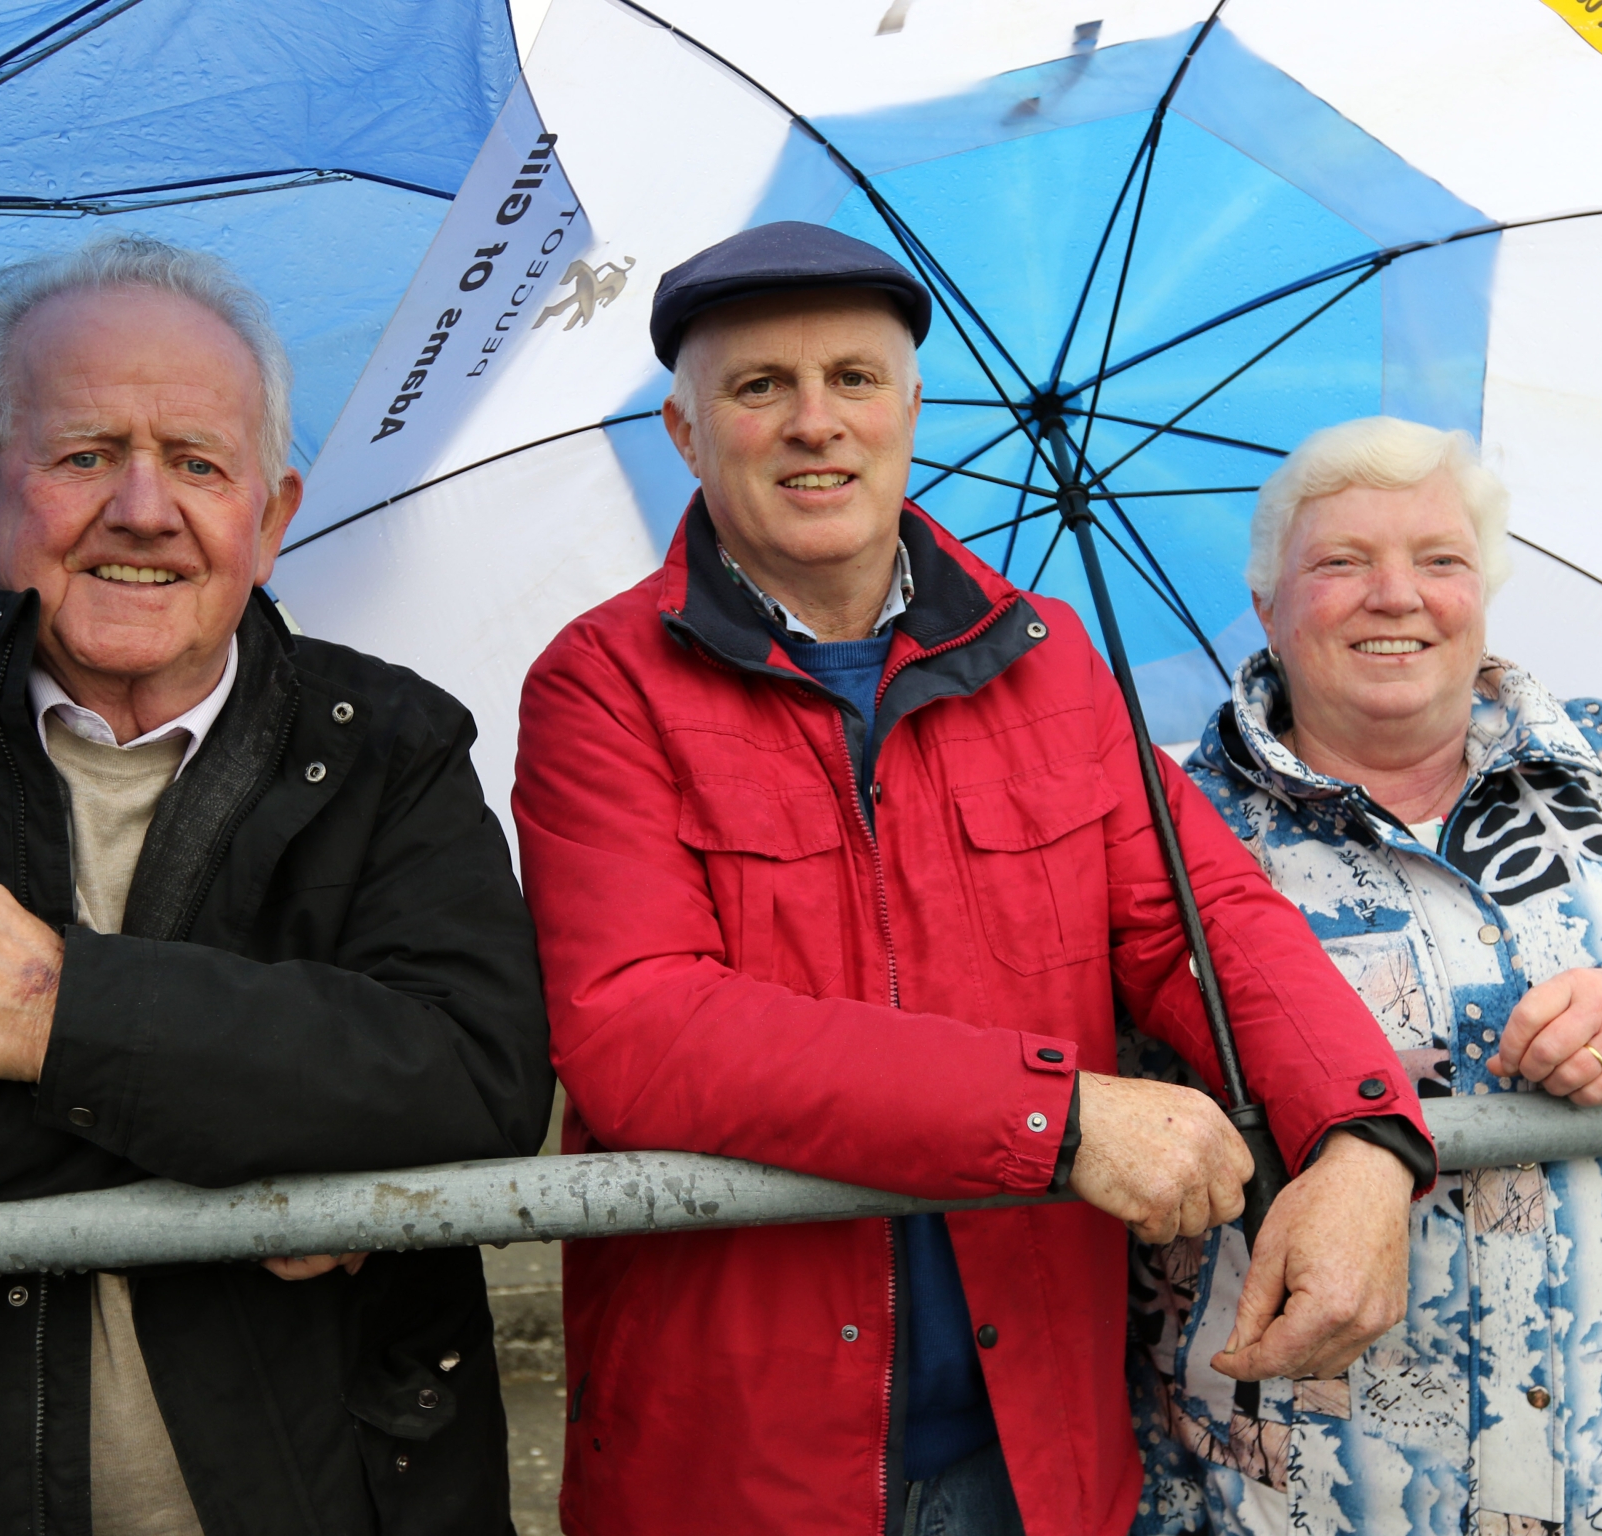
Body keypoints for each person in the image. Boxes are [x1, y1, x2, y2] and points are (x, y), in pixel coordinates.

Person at [511, 221, 1438, 1536]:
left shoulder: (1047, 658)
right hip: (742, 1460)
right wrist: (1056, 1122)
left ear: (911, 408)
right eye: (759, 386)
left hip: (1034, 1449)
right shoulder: (601, 684)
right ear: (684, 430)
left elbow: (1202, 921)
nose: (813, 422)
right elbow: (640, 1027)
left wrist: (1360, 1134)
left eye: (852, 378)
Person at [0, 235, 555, 1534]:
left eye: (196, 462)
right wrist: (272, 1144)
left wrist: (58, 1011)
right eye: (82, 454)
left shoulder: (391, 746)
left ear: (270, 515)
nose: (141, 508)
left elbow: (474, 1084)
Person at [1128, 415, 1602, 1536]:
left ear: (1484, 590)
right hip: (1297, 1494)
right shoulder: (1167, 828)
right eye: (1340, 562)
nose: (1396, 595)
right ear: (1269, 605)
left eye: (1440, 560)